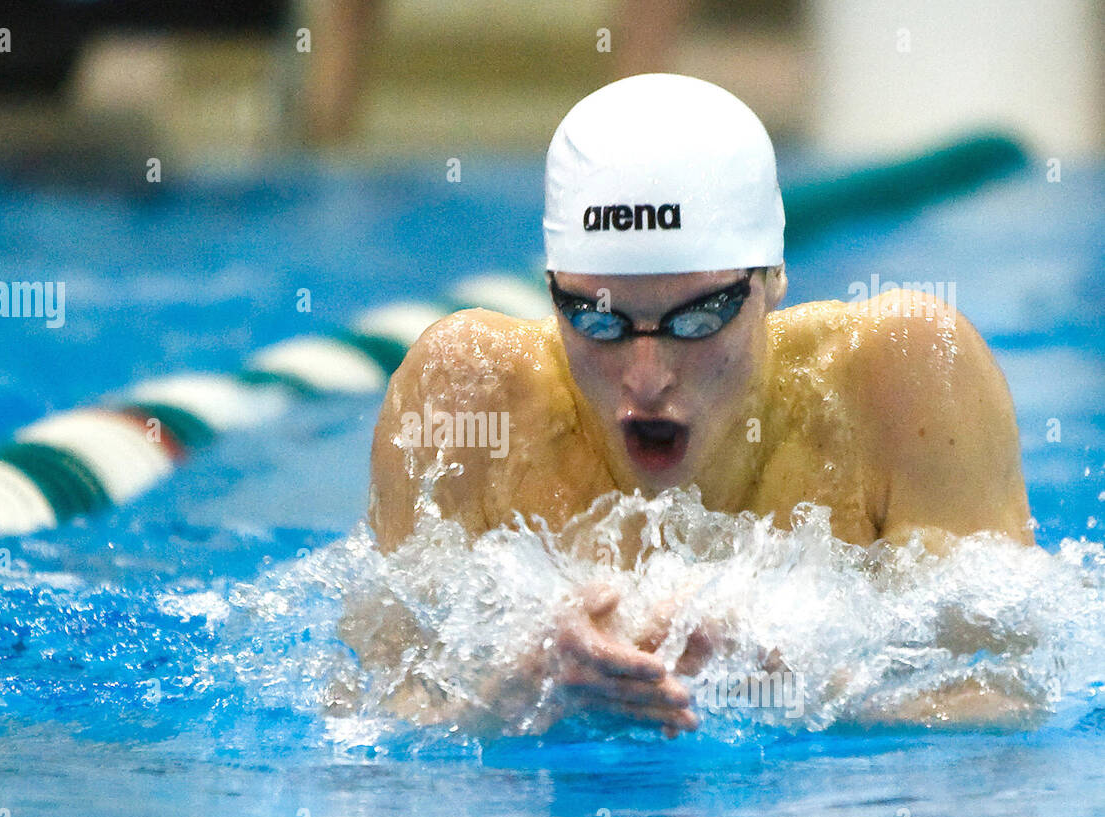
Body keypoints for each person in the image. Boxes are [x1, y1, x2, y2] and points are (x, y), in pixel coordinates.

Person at [358, 74, 1034, 736]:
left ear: (772, 282)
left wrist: (806, 690)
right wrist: (502, 701)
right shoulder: (465, 398)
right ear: (552, 290)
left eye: (696, 319)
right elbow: (365, 711)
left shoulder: (904, 377)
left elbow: (1011, 701)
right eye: (599, 322)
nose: (647, 379)